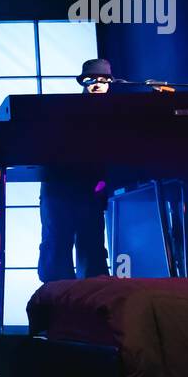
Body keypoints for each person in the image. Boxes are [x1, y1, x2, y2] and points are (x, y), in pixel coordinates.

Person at [37, 58, 112, 282]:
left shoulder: (116, 113)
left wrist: (104, 182)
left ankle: (93, 300)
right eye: (91, 80)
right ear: (83, 83)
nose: (97, 85)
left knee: (92, 245)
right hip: (59, 185)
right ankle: (56, 299)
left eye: (103, 80)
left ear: (110, 83)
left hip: (91, 187)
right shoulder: (64, 111)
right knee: (57, 242)